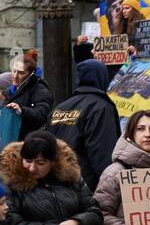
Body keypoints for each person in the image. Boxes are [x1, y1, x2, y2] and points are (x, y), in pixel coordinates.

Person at [45, 58, 120, 194]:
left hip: (57, 184)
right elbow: (103, 152)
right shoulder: (100, 107)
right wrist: (112, 187)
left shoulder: (59, 108)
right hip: (87, 188)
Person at [3, 54, 54, 138]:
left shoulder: (39, 89)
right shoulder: (9, 91)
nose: (15, 76)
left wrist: (21, 111)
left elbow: (42, 115)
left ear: (31, 74)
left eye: (21, 73)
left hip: (29, 140)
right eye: (14, 71)